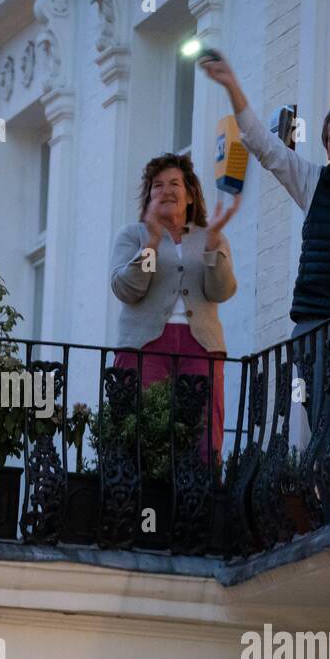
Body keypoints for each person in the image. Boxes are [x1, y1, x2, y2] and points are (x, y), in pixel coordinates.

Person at [203, 54, 330, 502]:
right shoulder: (313, 183)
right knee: (326, 420)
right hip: (317, 326)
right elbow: (261, 144)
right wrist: (233, 86)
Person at [109, 152, 240, 460]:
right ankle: (141, 501)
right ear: (148, 196)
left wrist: (211, 251)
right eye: (157, 185)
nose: (166, 190)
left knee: (204, 435)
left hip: (201, 346)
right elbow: (128, 289)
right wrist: (152, 243)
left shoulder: (211, 237)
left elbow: (221, 290)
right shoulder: (133, 235)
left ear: (191, 195)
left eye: (174, 183)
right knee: (141, 431)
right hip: (144, 345)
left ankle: (202, 498)